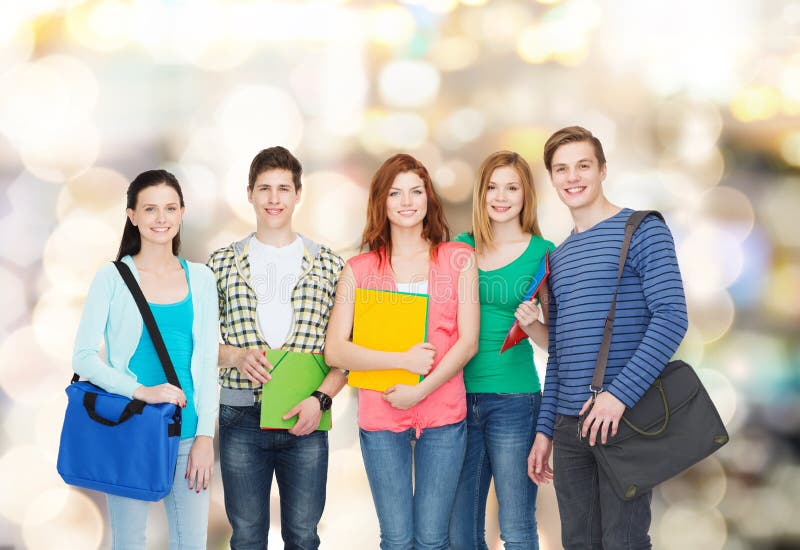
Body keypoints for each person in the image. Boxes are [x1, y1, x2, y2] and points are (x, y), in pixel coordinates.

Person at [527, 127, 688, 549]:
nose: (572, 177)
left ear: (602, 170)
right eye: (561, 169)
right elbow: (560, 355)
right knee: (577, 543)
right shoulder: (557, 258)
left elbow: (671, 318)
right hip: (568, 428)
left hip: (626, 419)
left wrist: (618, 396)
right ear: (552, 178)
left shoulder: (643, 230)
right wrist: (545, 430)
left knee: (625, 542)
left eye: (582, 165)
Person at [324, 153, 479, 550]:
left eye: (416, 191)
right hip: (380, 414)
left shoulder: (458, 259)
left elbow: (468, 342)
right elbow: (335, 351)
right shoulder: (358, 269)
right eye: (396, 193)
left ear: (429, 198)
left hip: (443, 412)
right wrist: (401, 362)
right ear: (381, 201)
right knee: (395, 539)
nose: (407, 201)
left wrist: (420, 389)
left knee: (431, 539)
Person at [207, 146, 346, 550]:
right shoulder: (219, 264)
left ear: (298, 194)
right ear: (248, 193)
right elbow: (197, 345)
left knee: (303, 538)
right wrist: (235, 356)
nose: (273, 199)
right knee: (247, 537)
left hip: (306, 417)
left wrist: (320, 401)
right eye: (264, 188)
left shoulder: (331, 266)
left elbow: (344, 354)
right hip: (240, 416)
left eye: (283, 188)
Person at [73, 169, 219, 549]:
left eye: (170, 208)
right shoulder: (112, 277)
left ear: (182, 213)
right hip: (132, 428)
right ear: (132, 215)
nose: (161, 218)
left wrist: (205, 436)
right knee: (130, 543)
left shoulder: (201, 279)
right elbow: (84, 358)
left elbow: (206, 364)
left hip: (187, 433)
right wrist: (142, 391)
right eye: (150, 209)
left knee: (191, 544)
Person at [450, 151, 554, 550]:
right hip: (458, 398)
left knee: (516, 528)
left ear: (525, 195)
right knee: (462, 532)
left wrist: (532, 325)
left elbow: (553, 343)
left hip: (516, 399)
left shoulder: (543, 252)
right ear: (481, 193)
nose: (501, 196)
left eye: (511, 187)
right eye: (492, 187)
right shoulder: (460, 248)